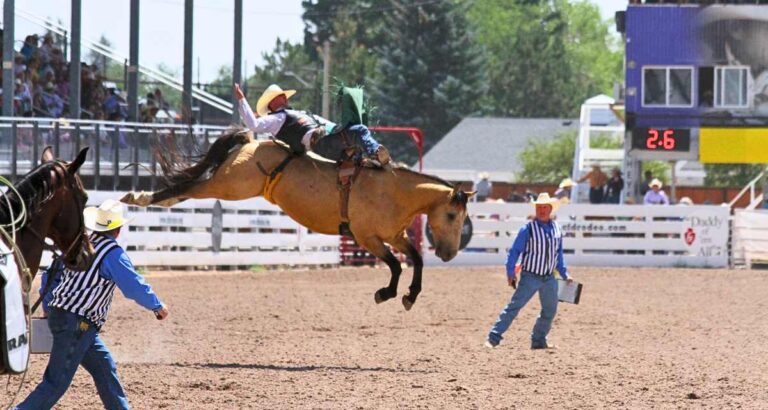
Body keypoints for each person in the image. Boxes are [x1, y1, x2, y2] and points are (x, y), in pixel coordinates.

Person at [16, 199, 170, 410]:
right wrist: (157, 306)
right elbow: (133, 285)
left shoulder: (77, 244)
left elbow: (50, 274)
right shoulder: (112, 254)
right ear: (118, 229)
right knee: (55, 383)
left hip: (65, 317)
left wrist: (48, 304)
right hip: (79, 323)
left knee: (104, 368)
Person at [485, 193, 574, 349]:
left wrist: (565, 273)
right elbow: (514, 251)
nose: (541, 210)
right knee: (514, 307)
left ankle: (539, 340)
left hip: (549, 277)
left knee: (550, 310)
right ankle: (493, 338)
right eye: (539, 207)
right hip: (530, 276)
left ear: (551, 208)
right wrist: (510, 272)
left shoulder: (557, 229)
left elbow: (558, 255)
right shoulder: (527, 229)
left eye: (544, 207)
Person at [234, 83, 390, 166]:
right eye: (280, 96)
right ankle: (375, 153)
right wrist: (241, 99)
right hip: (321, 144)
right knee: (360, 130)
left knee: (356, 146)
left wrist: (341, 129)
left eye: (283, 95)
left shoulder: (300, 113)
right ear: (273, 103)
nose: (284, 97)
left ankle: (367, 159)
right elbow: (253, 124)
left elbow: (325, 123)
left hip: (327, 139)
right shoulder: (276, 119)